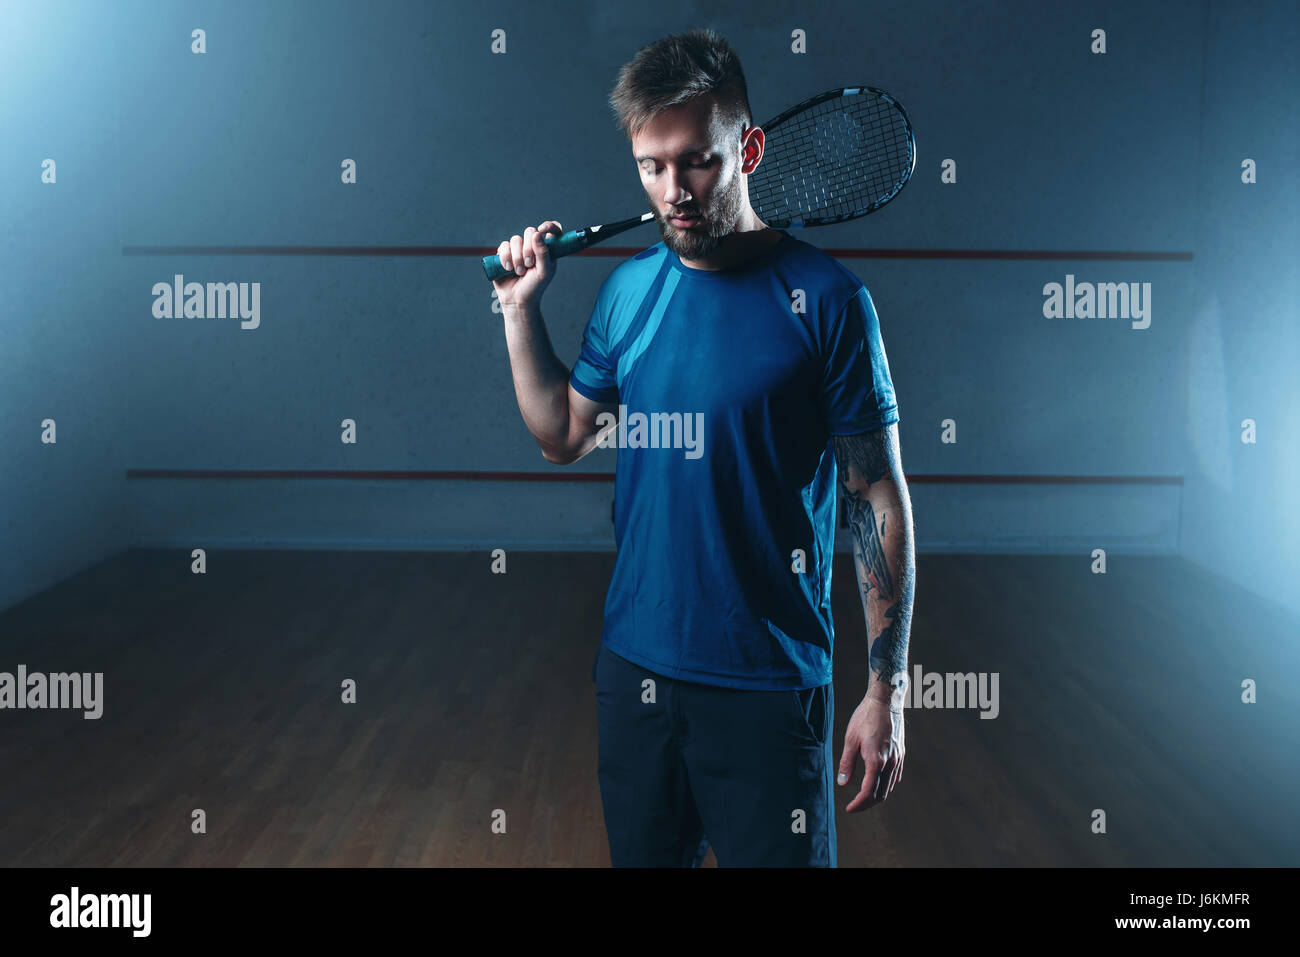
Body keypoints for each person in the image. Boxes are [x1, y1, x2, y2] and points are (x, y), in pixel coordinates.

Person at [492, 28, 914, 867]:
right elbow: (562, 435)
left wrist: (886, 687)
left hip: (768, 685)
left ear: (748, 149)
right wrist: (519, 311)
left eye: (696, 162)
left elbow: (875, 495)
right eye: (651, 166)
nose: (672, 191)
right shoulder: (629, 293)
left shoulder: (827, 303)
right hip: (635, 673)